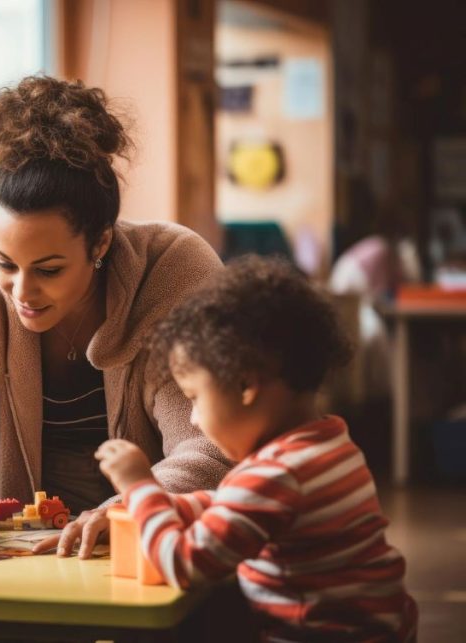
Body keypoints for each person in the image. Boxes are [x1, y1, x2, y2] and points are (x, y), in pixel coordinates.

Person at [0, 75, 232, 557]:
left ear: (101, 242)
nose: (22, 291)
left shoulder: (176, 273)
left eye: (49, 269)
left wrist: (133, 506)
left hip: (150, 539)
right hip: (18, 552)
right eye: (4, 262)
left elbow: (210, 445)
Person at [96, 256, 417, 642]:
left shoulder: (275, 474)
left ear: (246, 385)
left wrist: (139, 486)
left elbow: (184, 564)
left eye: (195, 397)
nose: (194, 419)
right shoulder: (329, 440)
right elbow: (236, 506)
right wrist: (172, 505)